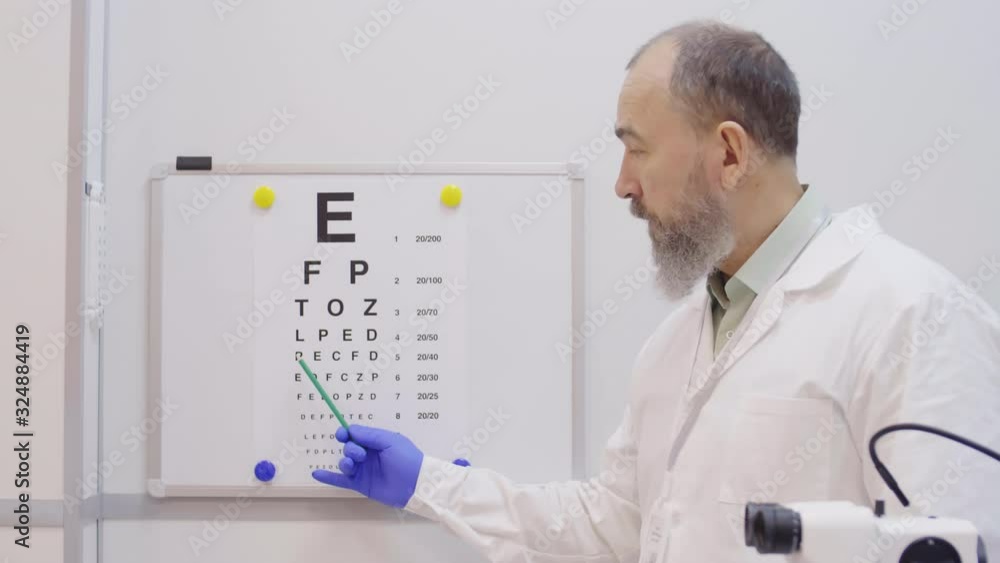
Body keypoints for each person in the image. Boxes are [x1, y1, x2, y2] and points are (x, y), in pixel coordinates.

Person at [313, 20, 1000, 562]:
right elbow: (613, 527)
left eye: (636, 147)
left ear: (729, 154)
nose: (622, 183)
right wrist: (427, 483)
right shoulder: (680, 341)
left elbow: (953, 545)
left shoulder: (910, 315)